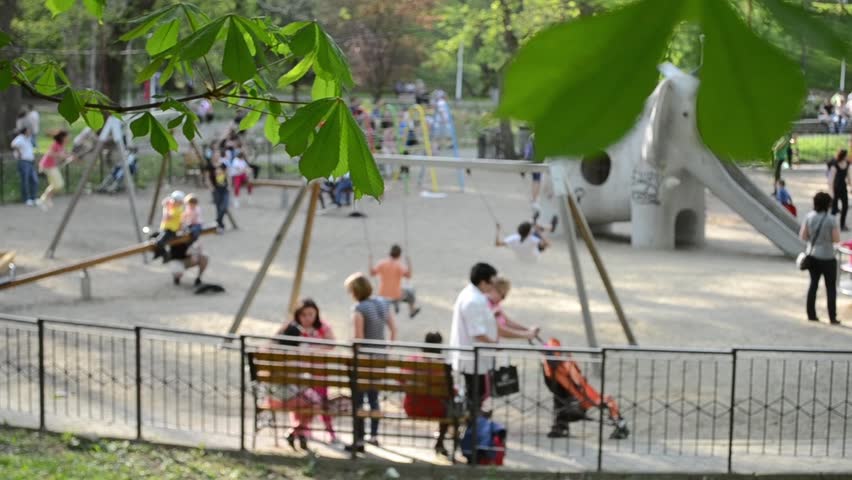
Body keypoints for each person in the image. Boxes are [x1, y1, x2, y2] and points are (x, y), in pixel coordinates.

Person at [274, 299, 338, 449]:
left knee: (316, 400)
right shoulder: (292, 330)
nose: (308, 318)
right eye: (304, 315)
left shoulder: (321, 328)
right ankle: (302, 430)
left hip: (314, 375)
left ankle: (304, 431)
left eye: (311, 314)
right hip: (299, 379)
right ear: (297, 315)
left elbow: (332, 343)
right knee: (307, 401)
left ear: (316, 314)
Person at [344, 273, 398, 452]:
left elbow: (358, 338)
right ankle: (374, 435)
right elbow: (393, 330)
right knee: (374, 398)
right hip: (379, 358)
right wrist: (387, 350)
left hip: (364, 361)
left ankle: (359, 438)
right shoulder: (383, 303)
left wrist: (350, 346)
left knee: (359, 399)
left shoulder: (359, 309)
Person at [449, 262, 499, 411]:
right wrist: (494, 344)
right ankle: (473, 429)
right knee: (477, 395)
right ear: (483, 282)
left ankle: (474, 426)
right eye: (492, 282)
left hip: (472, 358)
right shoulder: (473, 300)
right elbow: (477, 333)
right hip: (473, 359)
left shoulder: (471, 295)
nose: (493, 287)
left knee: (476, 394)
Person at [403, 331, 453, 457]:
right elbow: (451, 391)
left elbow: (401, 380)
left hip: (412, 407)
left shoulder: (412, 360)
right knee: (450, 406)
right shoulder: (442, 365)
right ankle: (440, 443)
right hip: (436, 411)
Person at [800, 192, 841, 325]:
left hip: (813, 255)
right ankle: (832, 316)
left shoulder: (809, 217)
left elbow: (804, 236)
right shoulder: (831, 219)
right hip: (828, 256)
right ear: (828, 204)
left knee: (813, 285)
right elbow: (836, 239)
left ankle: (811, 314)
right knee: (830, 288)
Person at [369, 244, 421, 318]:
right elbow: (409, 276)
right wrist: (409, 262)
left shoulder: (382, 263)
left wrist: (370, 260)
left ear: (390, 253)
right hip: (396, 295)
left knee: (399, 290)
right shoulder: (399, 265)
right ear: (399, 255)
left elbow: (372, 273)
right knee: (411, 290)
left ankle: (396, 304)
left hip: (382, 295)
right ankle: (412, 309)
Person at [37, 130, 72, 210]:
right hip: (47, 166)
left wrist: (67, 156)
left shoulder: (61, 145)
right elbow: (49, 153)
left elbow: (63, 155)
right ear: (63, 137)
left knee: (56, 184)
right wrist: (62, 156)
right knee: (58, 184)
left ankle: (45, 199)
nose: (69, 138)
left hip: (52, 166)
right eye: (67, 136)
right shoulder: (56, 144)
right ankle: (44, 199)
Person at [153, 190, 185, 261]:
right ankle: (158, 253)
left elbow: (167, 217)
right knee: (152, 237)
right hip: (164, 229)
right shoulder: (173, 207)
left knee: (159, 242)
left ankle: (166, 255)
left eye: (175, 200)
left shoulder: (178, 210)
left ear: (179, 202)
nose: (172, 201)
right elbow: (164, 202)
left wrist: (165, 206)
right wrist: (166, 204)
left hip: (170, 231)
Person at [205, 146, 230, 232]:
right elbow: (207, 178)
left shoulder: (223, 165)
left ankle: (217, 222)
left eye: (218, 154)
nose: (217, 156)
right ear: (213, 156)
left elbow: (227, 175)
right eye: (215, 154)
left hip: (225, 188)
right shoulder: (209, 166)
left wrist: (229, 185)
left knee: (224, 206)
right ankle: (220, 225)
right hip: (216, 189)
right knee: (219, 208)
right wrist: (211, 187)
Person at [11, 127, 38, 206]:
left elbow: (34, 147)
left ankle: (33, 197)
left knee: (34, 180)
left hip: (31, 162)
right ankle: (26, 198)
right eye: (29, 130)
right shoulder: (20, 138)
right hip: (24, 162)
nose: (30, 132)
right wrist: (19, 153)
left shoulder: (29, 138)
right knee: (25, 180)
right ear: (25, 131)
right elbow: (13, 145)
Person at [827, 149, 851, 231]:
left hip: (843, 188)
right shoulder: (835, 165)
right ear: (843, 156)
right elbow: (831, 179)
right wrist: (831, 192)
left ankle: (842, 224)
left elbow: (848, 177)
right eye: (846, 155)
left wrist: (851, 186)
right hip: (835, 188)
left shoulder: (847, 164)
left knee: (845, 206)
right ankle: (831, 225)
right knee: (834, 209)